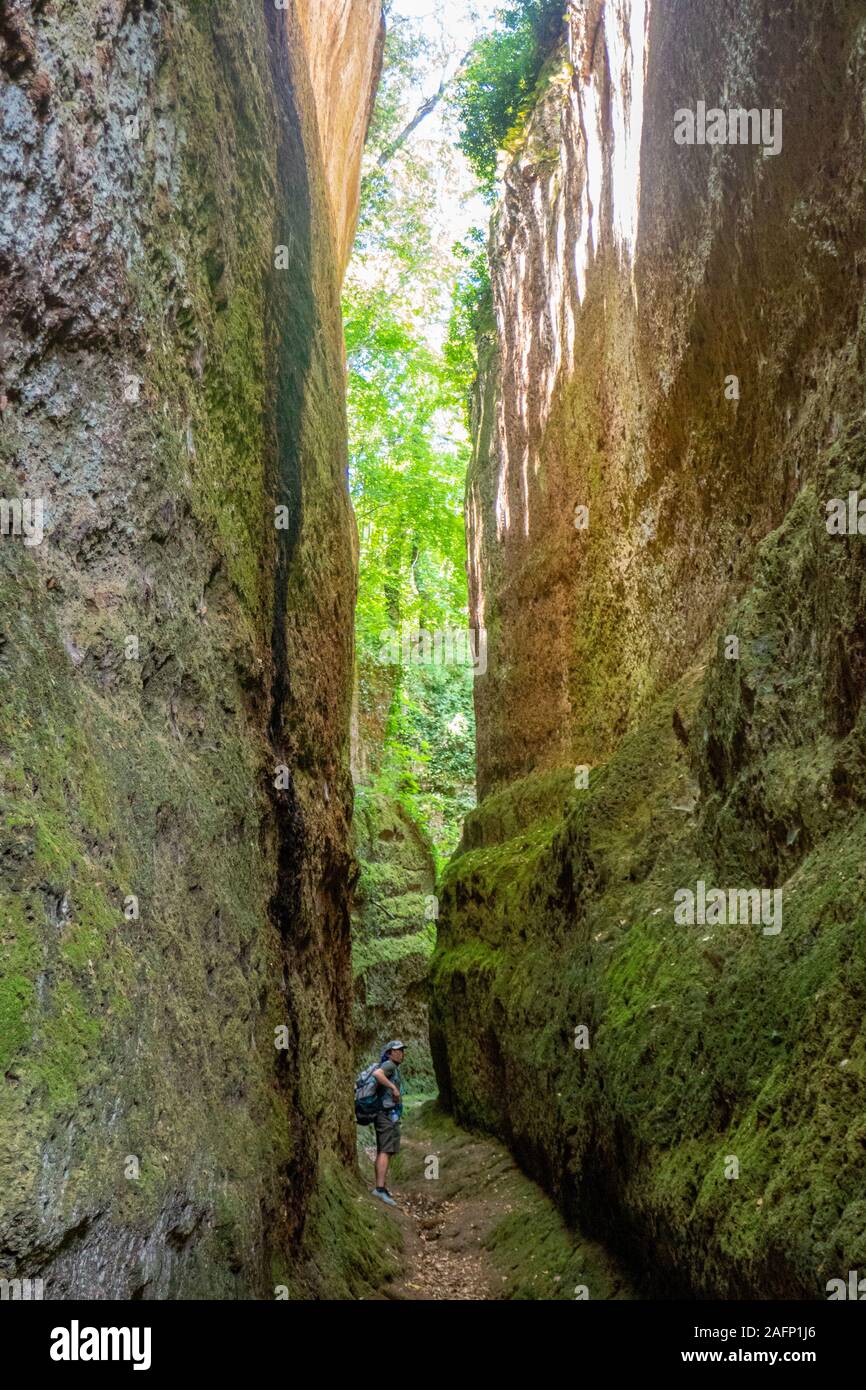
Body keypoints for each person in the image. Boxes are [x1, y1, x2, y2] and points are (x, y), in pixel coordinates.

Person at [370, 1040, 406, 1206]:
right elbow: (377, 1074)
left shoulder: (392, 1067)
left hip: (384, 1114)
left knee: (383, 1150)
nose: (401, 1053)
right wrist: (393, 1088)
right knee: (385, 1150)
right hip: (386, 1115)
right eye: (397, 1050)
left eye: (402, 1050)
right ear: (390, 1053)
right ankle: (379, 1189)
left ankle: (381, 1186)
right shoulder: (389, 1065)